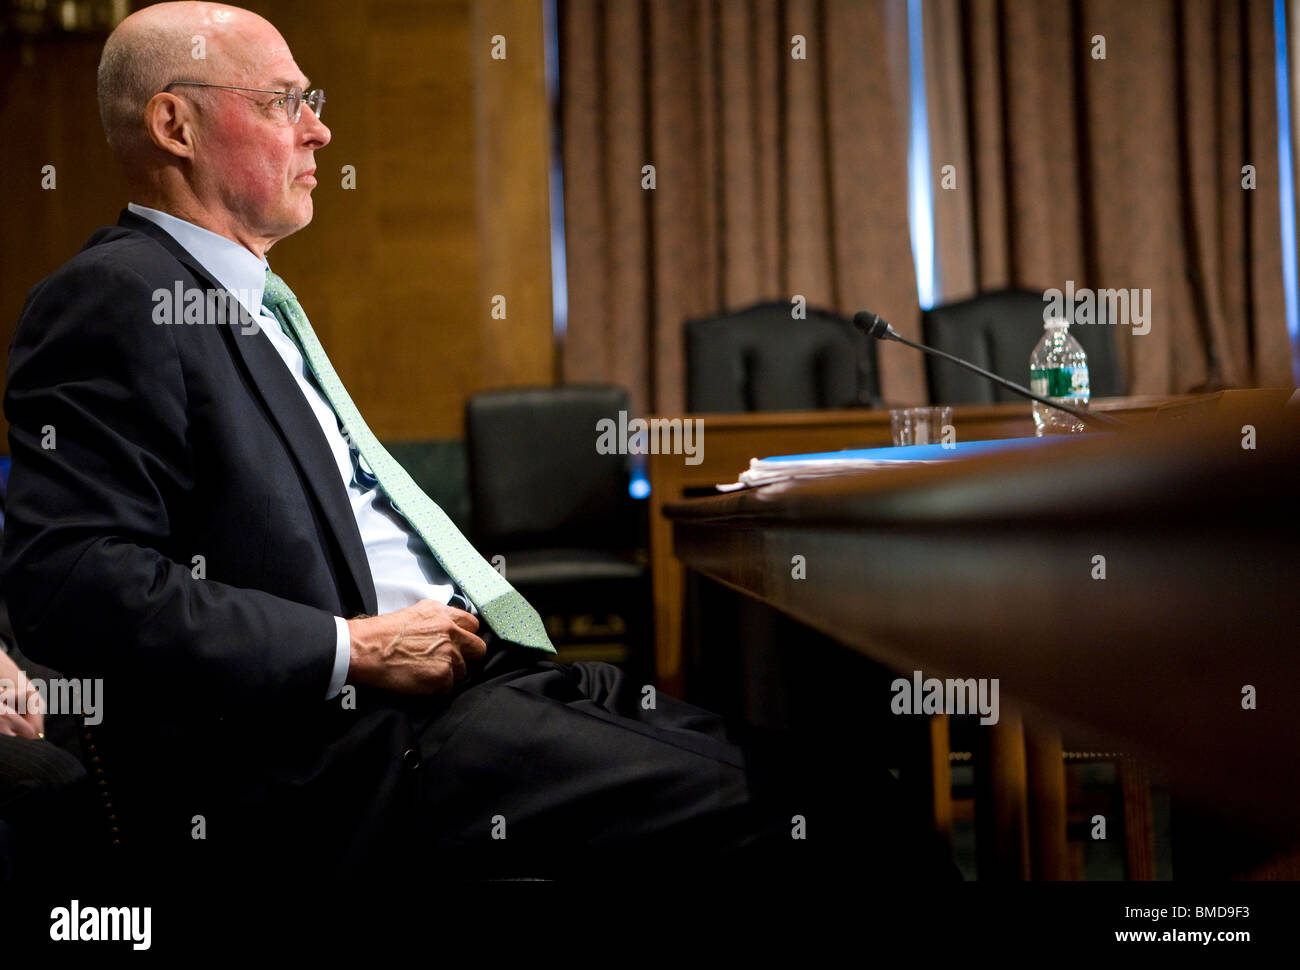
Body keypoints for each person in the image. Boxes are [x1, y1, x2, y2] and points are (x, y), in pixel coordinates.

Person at [2, 2, 953, 887]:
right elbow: (69, 580)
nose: (319, 128)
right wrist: (348, 646)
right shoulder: (117, 296)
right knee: (856, 819)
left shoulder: (249, 303)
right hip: (357, 745)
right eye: (285, 101)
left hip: (480, 677)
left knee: (838, 778)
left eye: (314, 102)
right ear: (176, 126)